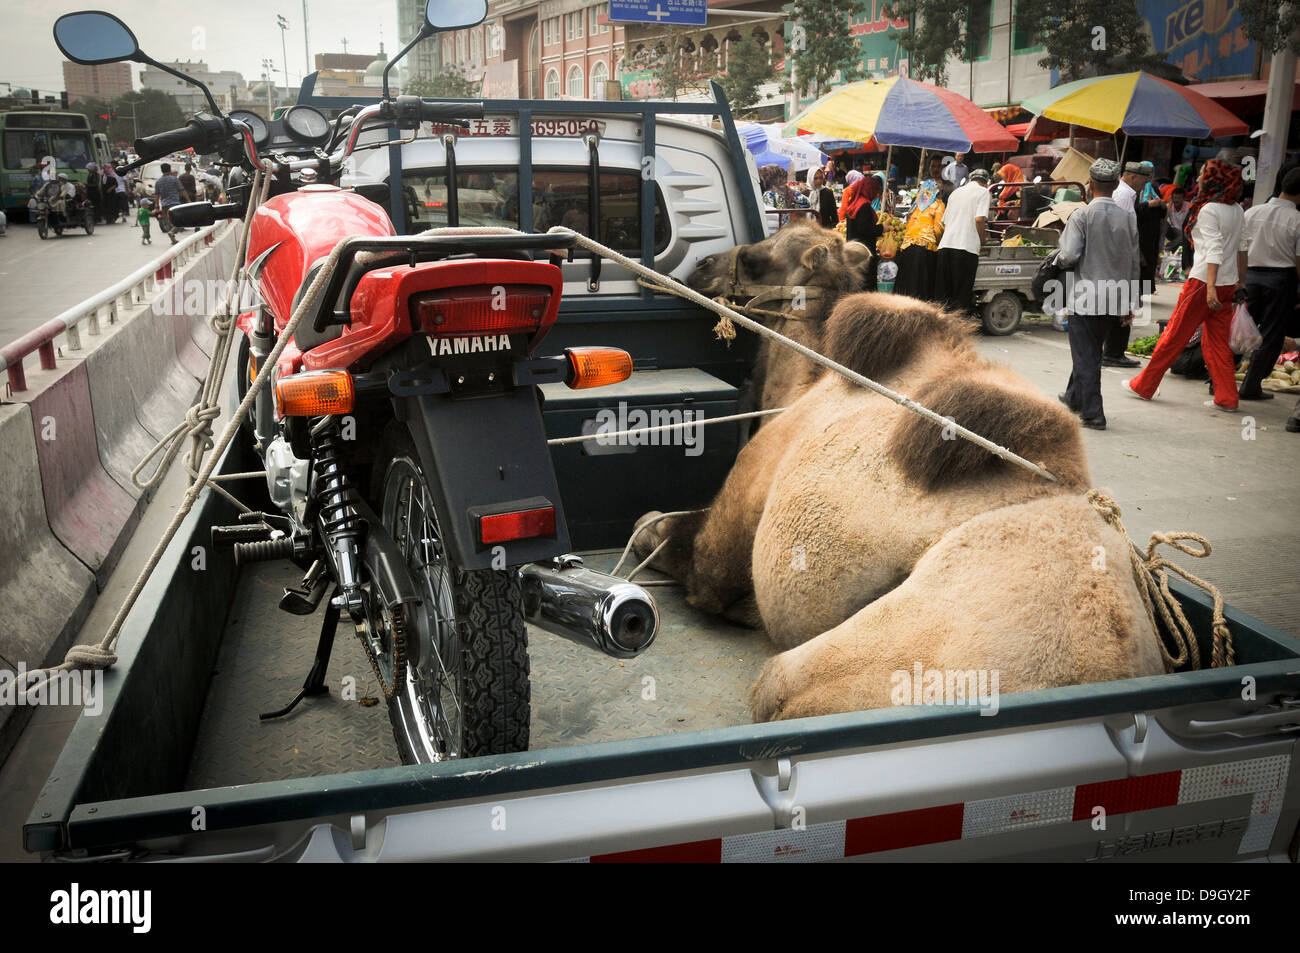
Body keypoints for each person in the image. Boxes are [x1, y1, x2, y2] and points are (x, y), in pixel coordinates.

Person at [1123, 158, 1247, 413]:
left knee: (1174, 336)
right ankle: (1227, 397)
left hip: (1204, 283)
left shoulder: (1210, 209)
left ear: (1214, 180)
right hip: (1226, 283)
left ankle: (1144, 386)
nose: (1199, 177)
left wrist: (1210, 288)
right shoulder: (1236, 209)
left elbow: (1213, 249)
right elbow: (1242, 248)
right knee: (1217, 343)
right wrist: (1238, 281)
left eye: (1204, 174)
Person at [1054, 158, 1141, 430]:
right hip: (1114, 297)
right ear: (1116, 185)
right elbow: (1134, 262)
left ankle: (1093, 413)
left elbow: (1068, 255)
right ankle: (1073, 397)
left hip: (1085, 297)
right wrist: (1131, 302)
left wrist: (1055, 262)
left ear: (1090, 185)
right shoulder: (1128, 217)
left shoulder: (1081, 215)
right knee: (1089, 351)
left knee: (1086, 355)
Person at [1237, 167, 1300, 401]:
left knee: (1242, 331)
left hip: (1250, 276)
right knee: (1271, 335)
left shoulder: (1252, 212)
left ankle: (1218, 379)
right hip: (1280, 280)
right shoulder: (1297, 220)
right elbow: (1299, 261)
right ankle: (1250, 386)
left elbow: (1238, 248)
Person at [1108, 160, 1164, 367]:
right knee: (1123, 306)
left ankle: (1114, 352)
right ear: (1132, 176)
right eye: (1144, 180)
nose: (1145, 184)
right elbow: (1120, 231)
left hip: (1124, 259)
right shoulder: (1123, 195)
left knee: (1123, 305)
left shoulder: (1128, 194)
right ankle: (1113, 353)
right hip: (1122, 261)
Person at [934, 167, 991, 314]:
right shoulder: (983, 192)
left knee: (944, 296)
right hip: (966, 249)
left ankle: (941, 328)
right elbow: (979, 219)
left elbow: (945, 222)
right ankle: (958, 330)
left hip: (945, 246)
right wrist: (983, 239)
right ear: (985, 183)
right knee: (961, 295)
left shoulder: (956, 192)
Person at [893, 178, 945, 301]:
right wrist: (937, 243)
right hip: (926, 248)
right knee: (922, 286)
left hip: (907, 247)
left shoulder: (916, 205)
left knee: (907, 285)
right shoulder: (939, 205)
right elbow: (939, 228)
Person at [1164, 185, 1192, 277]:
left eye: (1179, 198)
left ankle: (1167, 248)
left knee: (1182, 238)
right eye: (1174, 198)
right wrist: (1170, 203)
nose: (1176, 200)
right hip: (1173, 231)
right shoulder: (1169, 205)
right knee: (1164, 224)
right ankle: (1170, 246)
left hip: (1185, 233)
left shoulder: (1189, 206)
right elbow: (1165, 219)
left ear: (1183, 198)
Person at [154, 163, 184, 244]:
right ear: (170, 169)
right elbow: (182, 190)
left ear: (161, 170)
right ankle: (172, 233)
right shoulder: (174, 179)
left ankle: (173, 239)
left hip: (164, 205)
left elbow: (157, 194)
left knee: (169, 222)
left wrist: (156, 205)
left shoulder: (158, 181)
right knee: (180, 220)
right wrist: (187, 200)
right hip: (175, 204)